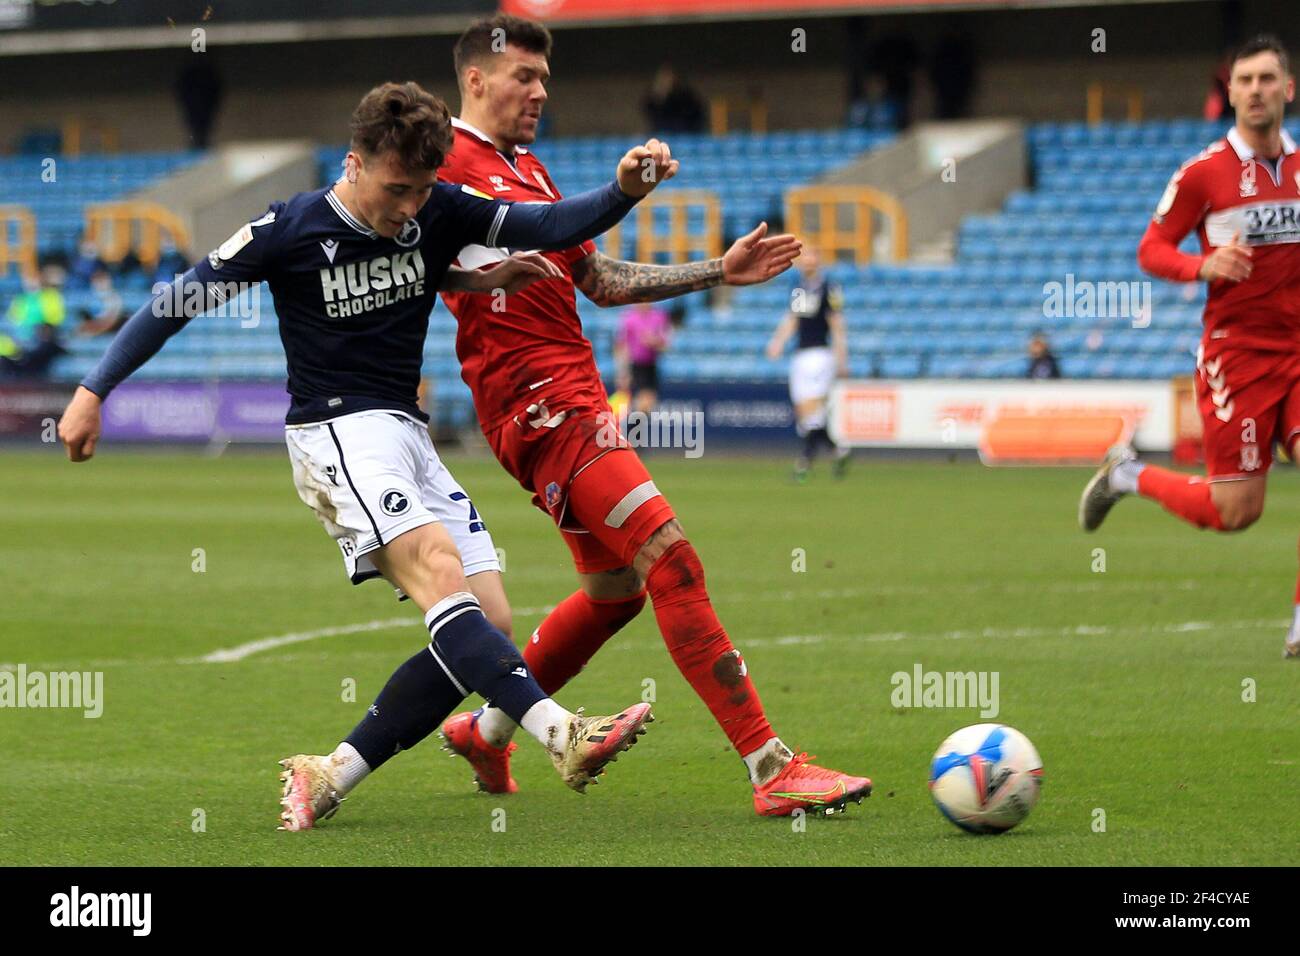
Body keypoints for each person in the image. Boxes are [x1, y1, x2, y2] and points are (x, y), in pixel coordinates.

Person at [56, 80, 679, 829]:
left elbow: (549, 223)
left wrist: (619, 190)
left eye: (421, 190)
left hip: (405, 432)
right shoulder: (287, 228)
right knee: (441, 576)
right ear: (353, 163)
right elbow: (177, 300)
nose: (411, 207)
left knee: (488, 622)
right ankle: (561, 734)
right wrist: (95, 389)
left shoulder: (439, 209)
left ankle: (331, 775)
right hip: (335, 429)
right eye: (396, 189)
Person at [435, 14, 872, 817]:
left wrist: (720, 270)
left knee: (615, 593)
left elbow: (597, 278)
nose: (538, 93)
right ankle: (770, 766)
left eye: (544, 81)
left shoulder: (527, 170)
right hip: (542, 410)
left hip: (573, 402)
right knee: (671, 558)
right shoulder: (445, 167)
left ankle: (490, 731)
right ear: (476, 79)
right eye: (524, 78)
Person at [1078, 35, 1300, 660]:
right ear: (1229, 92)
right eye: (1244, 80)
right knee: (1236, 511)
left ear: (1289, 88)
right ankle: (1127, 473)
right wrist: (1201, 267)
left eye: (1267, 78)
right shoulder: (1204, 173)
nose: (1256, 89)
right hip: (1239, 358)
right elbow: (1151, 249)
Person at [766, 245, 850, 480]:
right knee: (805, 415)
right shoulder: (799, 289)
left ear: (819, 259)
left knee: (812, 412)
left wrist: (842, 357)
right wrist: (778, 342)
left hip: (820, 354)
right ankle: (838, 450)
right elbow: (793, 319)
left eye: (812, 255)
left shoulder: (828, 288)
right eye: (805, 257)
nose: (808, 261)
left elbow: (836, 324)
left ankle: (804, 463)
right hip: (801, 354)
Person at [615, 302, 671, 414]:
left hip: (652, 365)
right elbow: (621, 346)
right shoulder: (629, 318)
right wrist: (622, 371)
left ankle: (635, 426)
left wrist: (654, 342)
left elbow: (665, 345)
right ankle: (633, 427)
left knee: (649, 404)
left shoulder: (659, 316)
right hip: (636, 366)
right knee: (642, 402)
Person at [642, 64, 706, 134]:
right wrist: (659, 95)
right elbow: (649, 112)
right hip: (663, 133)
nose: (667, 81)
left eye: (669, 77)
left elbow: (696, 115)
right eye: (663, 78)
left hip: (687, 134)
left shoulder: (686, 97)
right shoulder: (655, 98)